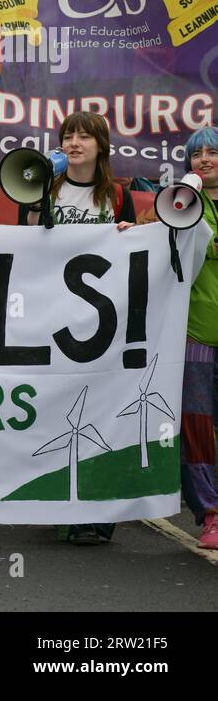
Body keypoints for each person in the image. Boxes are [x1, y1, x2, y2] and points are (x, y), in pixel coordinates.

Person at [15, 112, 134, 545]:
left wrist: (130, 233)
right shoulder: (47, 186)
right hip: (53, 322)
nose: (75, 143)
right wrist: (36, 193)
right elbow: (25, 244)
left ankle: (96, 514)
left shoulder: (117, 195)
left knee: (98, 415)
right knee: (55, 413)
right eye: (69, 135)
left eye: (85, 136)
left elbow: (135, 250)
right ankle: (59, 501)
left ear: (101, 145)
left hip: (102, 329)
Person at [175, 127, 218, 549]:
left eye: (212, 152)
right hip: (196, 329)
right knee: (197, 425)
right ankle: (209, 513)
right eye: (196, 154)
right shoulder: (185, 199)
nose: (203, 160)